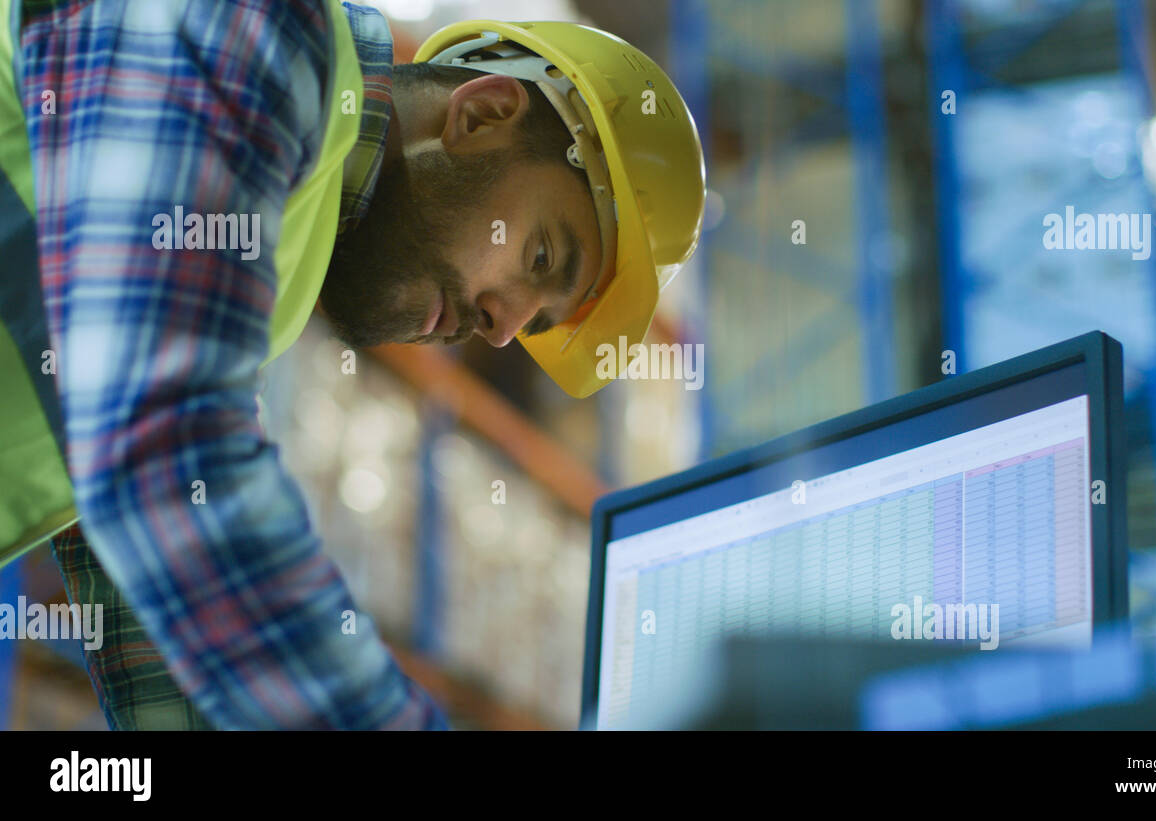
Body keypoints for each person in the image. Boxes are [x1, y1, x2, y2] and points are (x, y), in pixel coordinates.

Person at [0, 0, 705, 729]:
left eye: (539, 319)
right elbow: (164, 451)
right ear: (484, 113)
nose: (503, 328)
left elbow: (152, 617)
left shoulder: (266, 263)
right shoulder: (258, 30)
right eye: (540, 256)